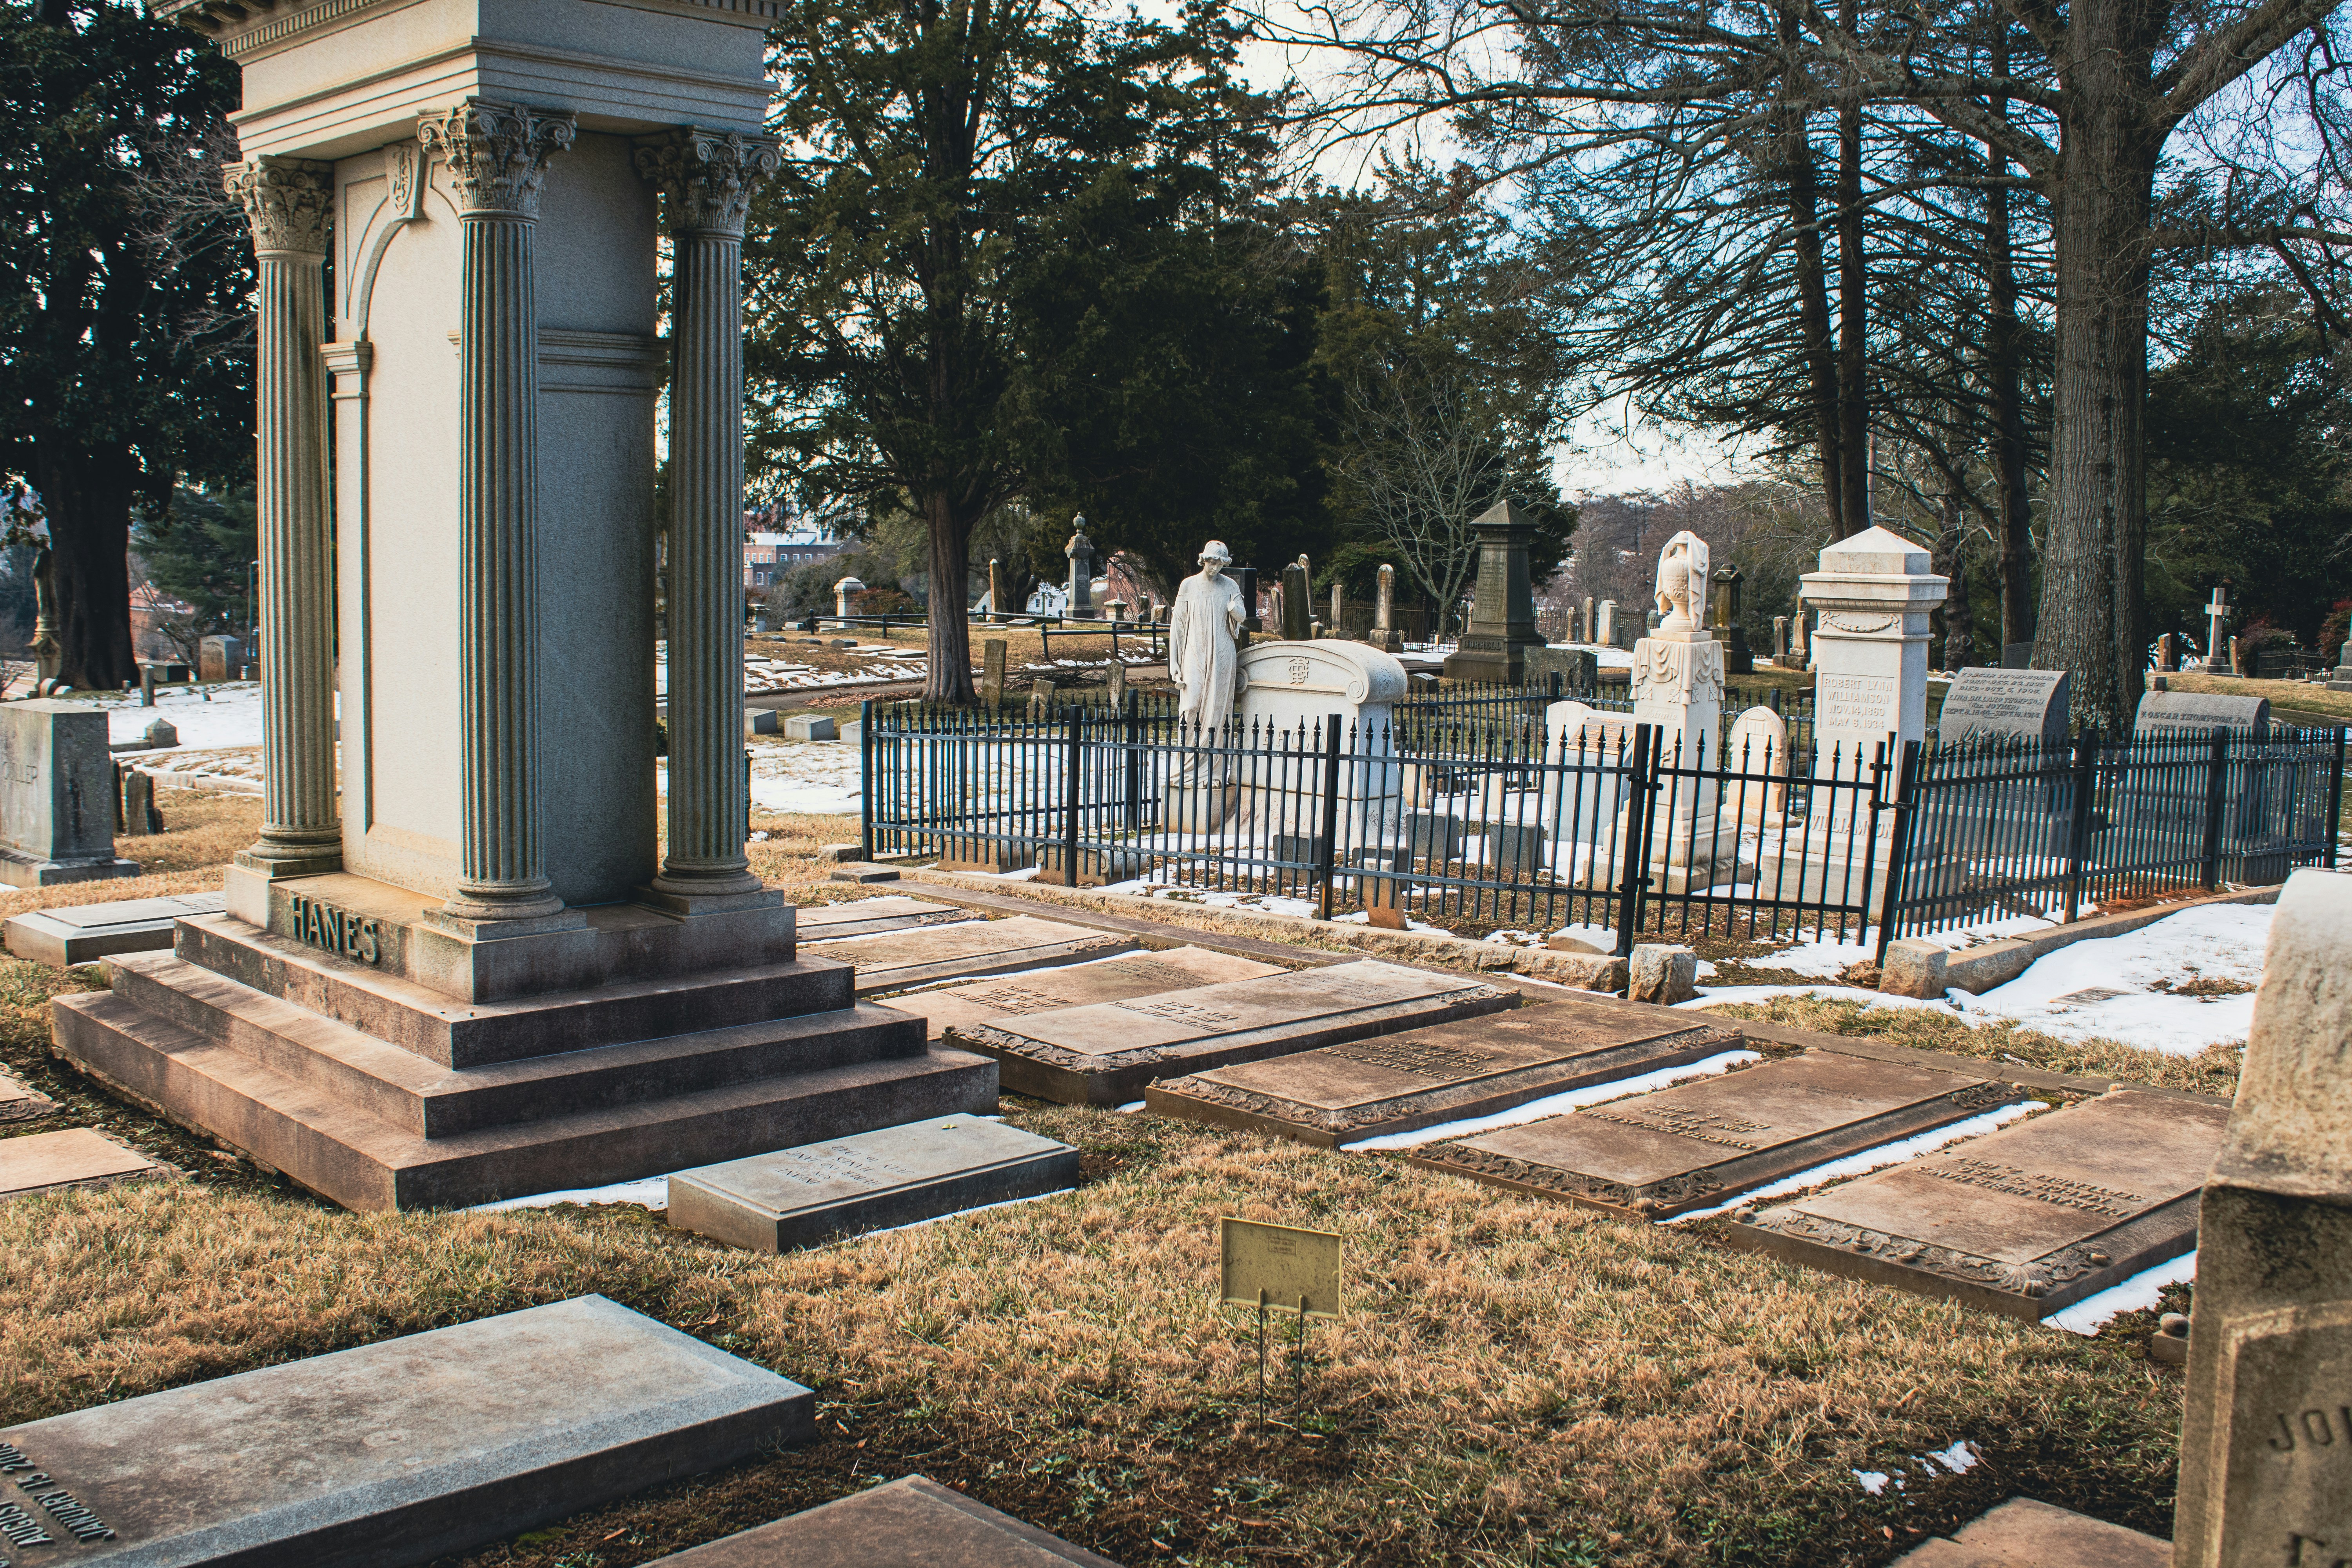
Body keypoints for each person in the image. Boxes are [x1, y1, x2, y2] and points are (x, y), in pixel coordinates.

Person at [1168, 541, 1246, 746]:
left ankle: (1212, 769)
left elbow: (1242, 616)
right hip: (1195, 651)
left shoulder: (1230, 586)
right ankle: (1186, 763)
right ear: (1204, 560)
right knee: (1191, 704)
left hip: (1222, 653)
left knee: (1217, 709)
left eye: (1220, 565)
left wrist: (1234, 609)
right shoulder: (1189, 585)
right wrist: (1173, 662)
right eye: (1212, 563)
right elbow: (1178, 626)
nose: (1215, 568)